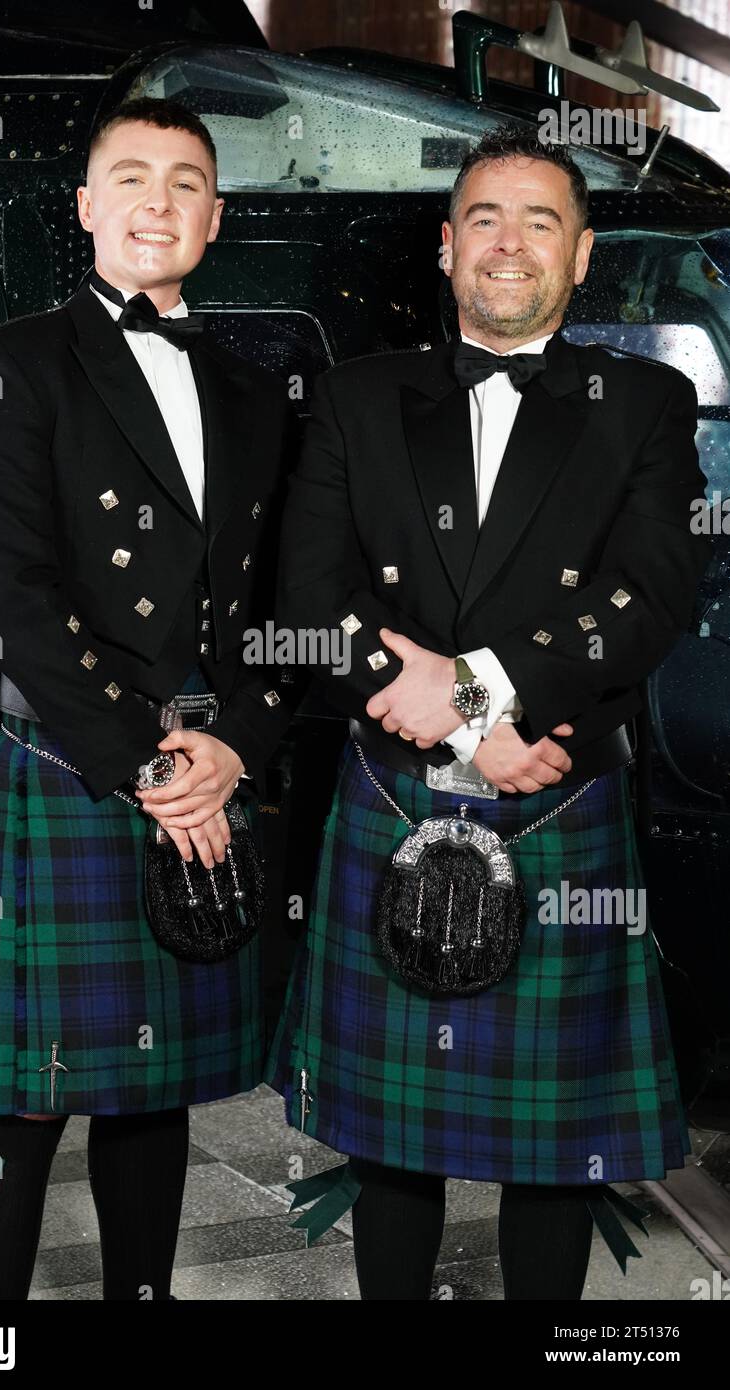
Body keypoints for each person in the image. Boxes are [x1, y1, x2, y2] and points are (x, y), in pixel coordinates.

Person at [263, 124, 710, 1300]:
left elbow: (655, 589)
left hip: (558, 793)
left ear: (580, 256)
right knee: (389, 1139)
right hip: (388, 785)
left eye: (539, 222)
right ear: (447, 242)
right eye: (484, 219)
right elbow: (308, 595)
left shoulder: (646, 402)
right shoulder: (357, 399)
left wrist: (464, 694)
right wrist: (470, 731)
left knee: (555, 1149)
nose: (508, 245)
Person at [0, 96, 298, 1300]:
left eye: (185, 182)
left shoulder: (249, 388)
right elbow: (9, 595)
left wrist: (232, 746)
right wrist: (149, 763)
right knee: (10, 1108)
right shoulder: (13, 364)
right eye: (129, 178)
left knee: (152, 1091)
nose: (157, 202)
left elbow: (287, 590)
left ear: (214, 217)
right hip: (76, 762)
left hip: (206, 766)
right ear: (85, 208)